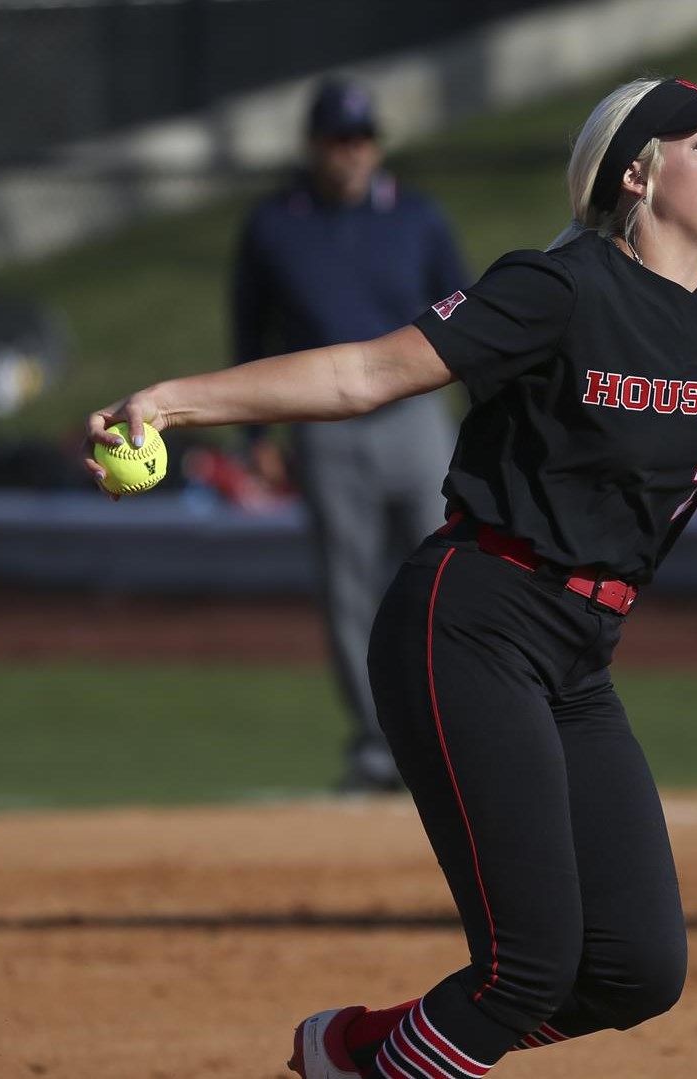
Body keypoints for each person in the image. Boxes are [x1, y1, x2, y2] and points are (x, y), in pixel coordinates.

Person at [83, 77, 697, 1079]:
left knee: (636, 968)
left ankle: (358, 1052)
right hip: (469, 625)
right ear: (637, 171)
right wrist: (171, 402)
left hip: (579, 656)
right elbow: (364, 375)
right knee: (527, 965)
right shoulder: (557, 285)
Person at [231, 76, 469, 793]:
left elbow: (469, 316)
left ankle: (457, 732)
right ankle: (378, 746)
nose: (352, 153)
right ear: (313, 146)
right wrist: (258, 431)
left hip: (416, 417)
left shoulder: (417, 217)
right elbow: (251, 330)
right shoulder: (275, 223)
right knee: (349, 588)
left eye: (363, 139)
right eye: (340, 139)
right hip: (325, 427)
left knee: (447, 577)